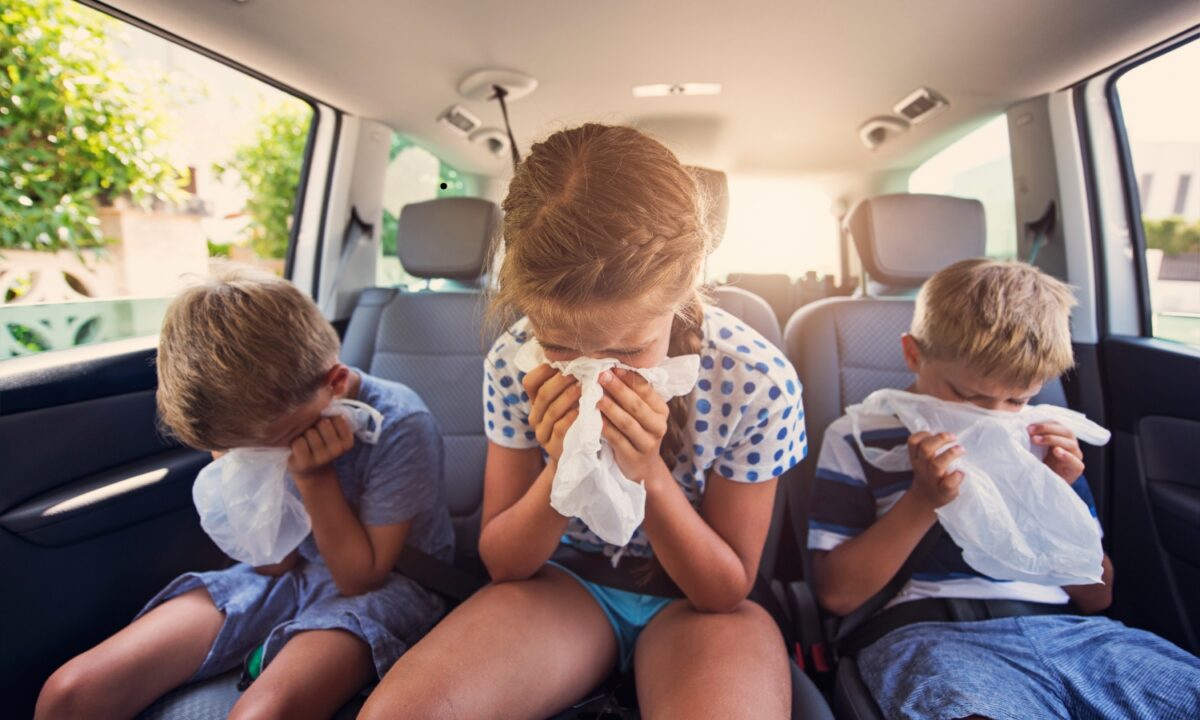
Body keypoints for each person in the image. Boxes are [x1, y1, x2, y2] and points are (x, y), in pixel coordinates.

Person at [362, 124, 807, 719]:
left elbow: (725, 590)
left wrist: (645, 470)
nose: (592, 374)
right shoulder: (513, 362)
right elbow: (504, 563)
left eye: (627, 353)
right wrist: (561, 468)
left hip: (695, 606)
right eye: (561, 346)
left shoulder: (757, 381)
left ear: (687, 282)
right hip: (565, 583)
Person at [35, 268, 454, 720]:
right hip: (288, 571)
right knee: (70, 692)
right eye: (240, 451)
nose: (259, 458)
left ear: (333, 384)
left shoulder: (400, 424)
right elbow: (271, 561)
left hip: (389, 583)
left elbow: (361, 579)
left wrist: (315, 479)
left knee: (260, 714)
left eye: (273, 444)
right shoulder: (248, 426)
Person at [808, 258, 1200, 719]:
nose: (995, 414)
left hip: (1072, 634)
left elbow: (1098, 596)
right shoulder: (858, 437)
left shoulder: (1041, 440)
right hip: (933, 634)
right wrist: (923, 501)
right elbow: (836, 595)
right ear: (913, 354)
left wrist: (1057, 495)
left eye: (1017, 399)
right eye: (971, 398)